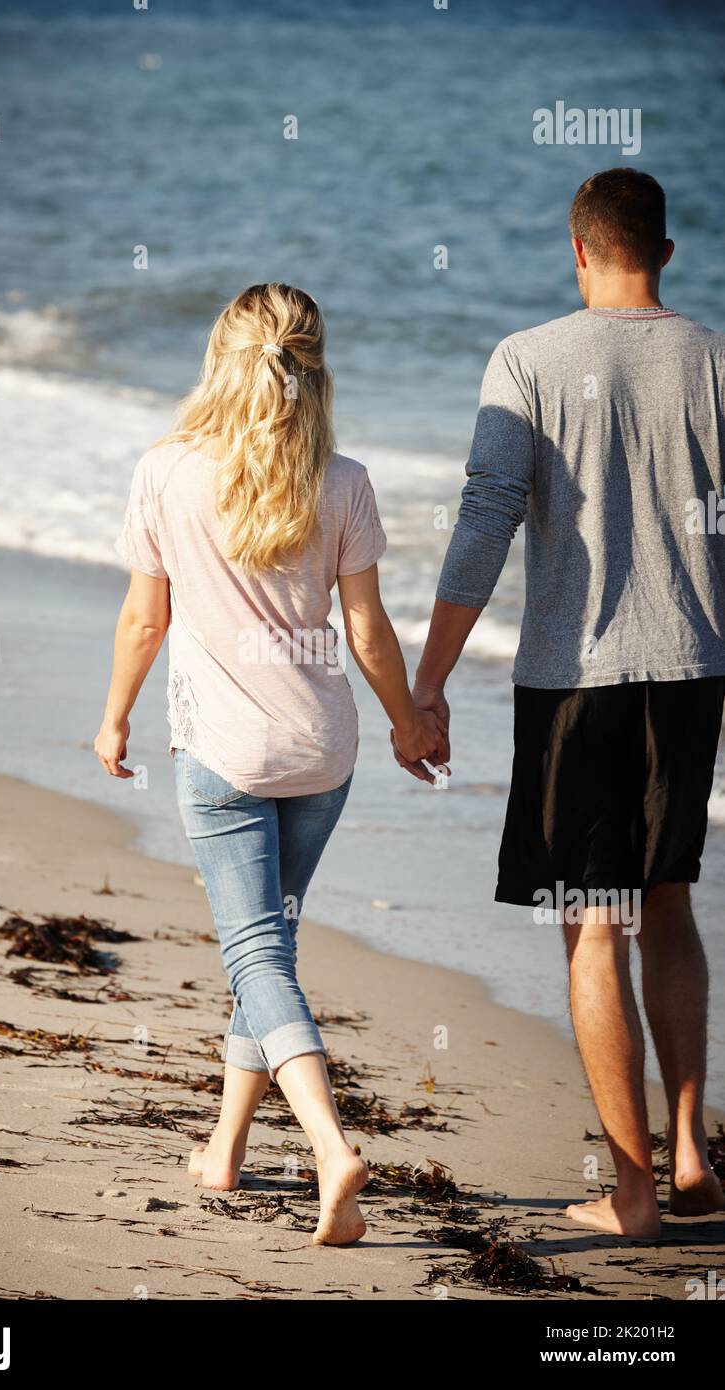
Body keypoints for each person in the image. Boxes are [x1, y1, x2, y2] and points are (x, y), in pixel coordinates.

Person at [401, 169, 725, 1238]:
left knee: (595, 926)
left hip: (575, 682)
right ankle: (686, 1155)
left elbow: (487, 516)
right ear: (663, 253)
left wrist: (429, 675)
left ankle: (629, 1195)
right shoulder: (712, 355)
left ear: (574, 251)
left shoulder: (526, 360)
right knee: (666, 901)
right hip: (689, 672)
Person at [94, 283, 446, 1245]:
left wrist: (115, 717)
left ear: (221, 356)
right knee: (270, 951)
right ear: (315, 365)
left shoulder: (166, 473)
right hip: (324, 751)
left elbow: (144, 618)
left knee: (255, 953)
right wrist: (410, 722)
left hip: (223, 752)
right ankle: (226, 1149)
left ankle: (332, 1150)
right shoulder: (344, 480)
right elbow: (367, 629)